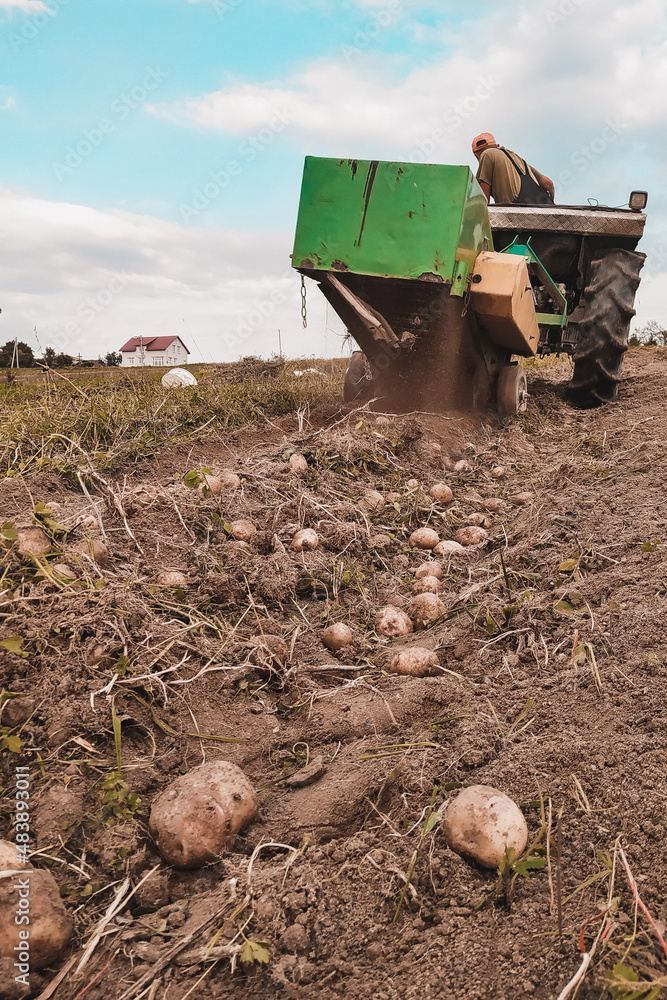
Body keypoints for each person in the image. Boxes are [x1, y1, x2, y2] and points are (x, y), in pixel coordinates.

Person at [472, 133, 555, 206]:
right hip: (545, 209)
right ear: (497, 145)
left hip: (516, 211)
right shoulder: (519, 159)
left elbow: (483, 201)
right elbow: (548, 183)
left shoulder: (486, 155)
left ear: (476, 155)